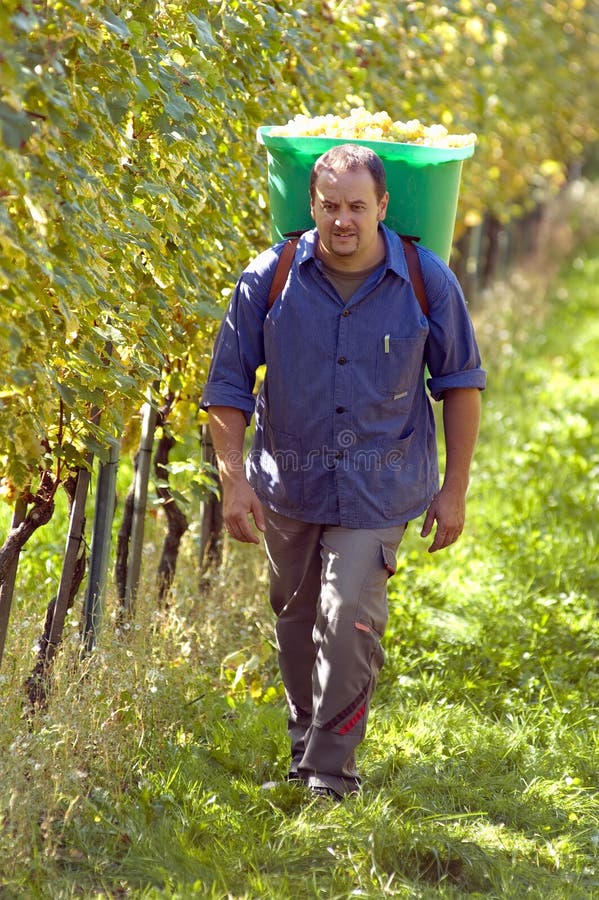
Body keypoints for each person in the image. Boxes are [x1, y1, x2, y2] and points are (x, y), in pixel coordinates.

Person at [201, 143, 486, 801]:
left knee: (348, 620)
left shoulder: (426, 281)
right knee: (297, 623)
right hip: (289, 483)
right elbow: (227, 387)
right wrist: (234, 482)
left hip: (380, 486)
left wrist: (454, 490)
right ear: (311, 206)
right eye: (330, 205)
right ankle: (306, 753)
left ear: (382, 206)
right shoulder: (269, 277)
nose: (342, 219)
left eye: (357, 206)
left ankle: (331, 776)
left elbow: (461, 384)